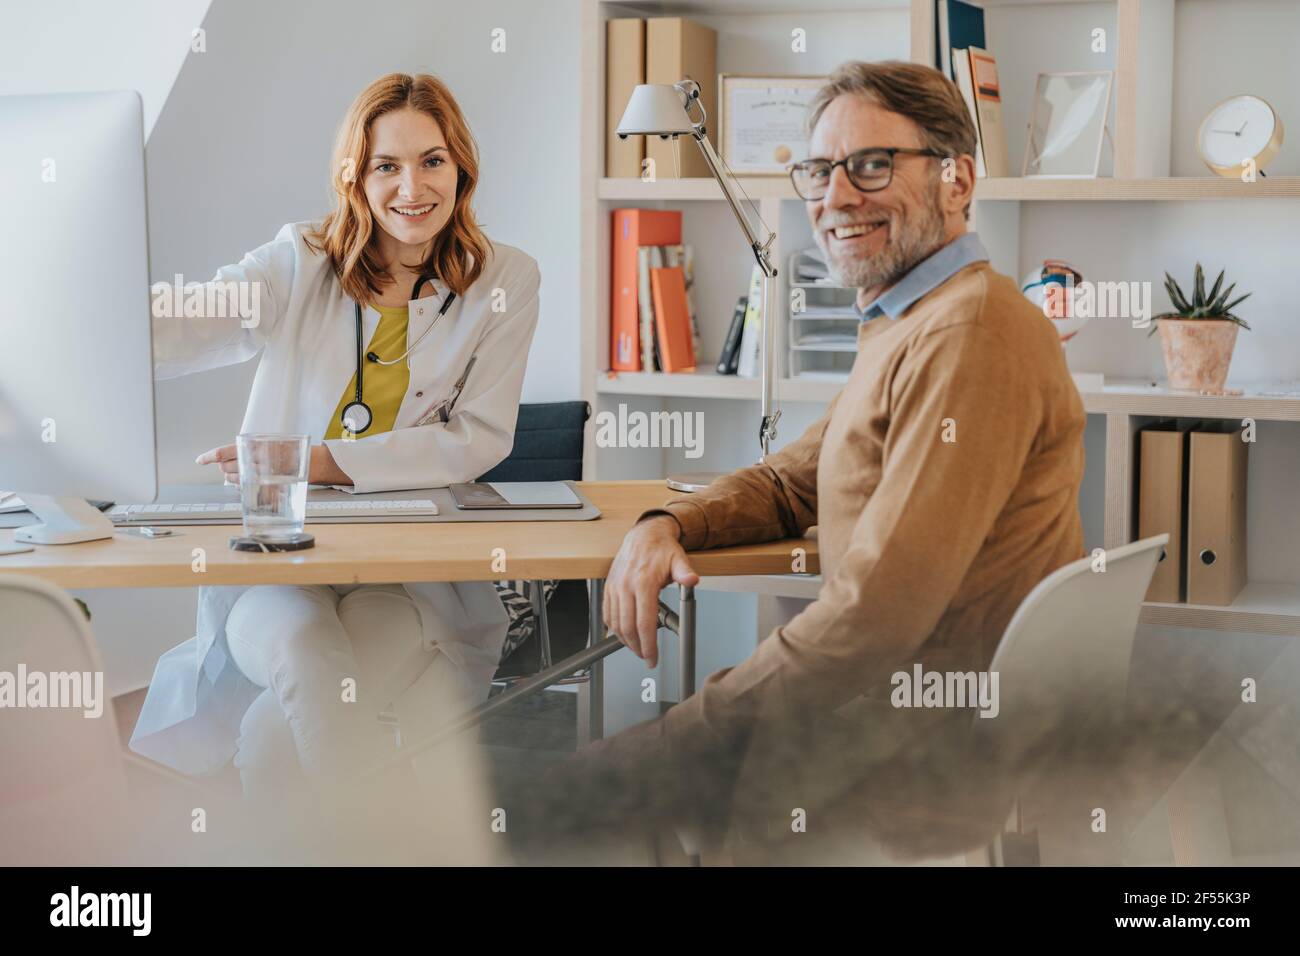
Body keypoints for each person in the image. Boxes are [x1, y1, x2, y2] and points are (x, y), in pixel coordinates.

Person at [572, 60, 1088, 848]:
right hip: (907, 717)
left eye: (872, 165)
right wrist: (667, 523)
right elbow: (794, 480)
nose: (835, 197)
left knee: (595, 792)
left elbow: (878, 614)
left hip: (924, 745)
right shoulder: (915, 317)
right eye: (818, 170)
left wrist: (678, 739)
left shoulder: (965, 332)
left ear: (958, 181)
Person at [129, 73, 540, 799]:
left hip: (407, 575)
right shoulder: (302, 259)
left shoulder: (504, 280)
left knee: (274, 739)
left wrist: (316, 462)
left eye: (432, 160)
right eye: (387, 165)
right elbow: (199, 313)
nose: (411, 187)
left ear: (462, 167)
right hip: (282, 562)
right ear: (357, 174)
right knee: (302, 652)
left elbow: (477, 438)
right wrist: (98, 307)